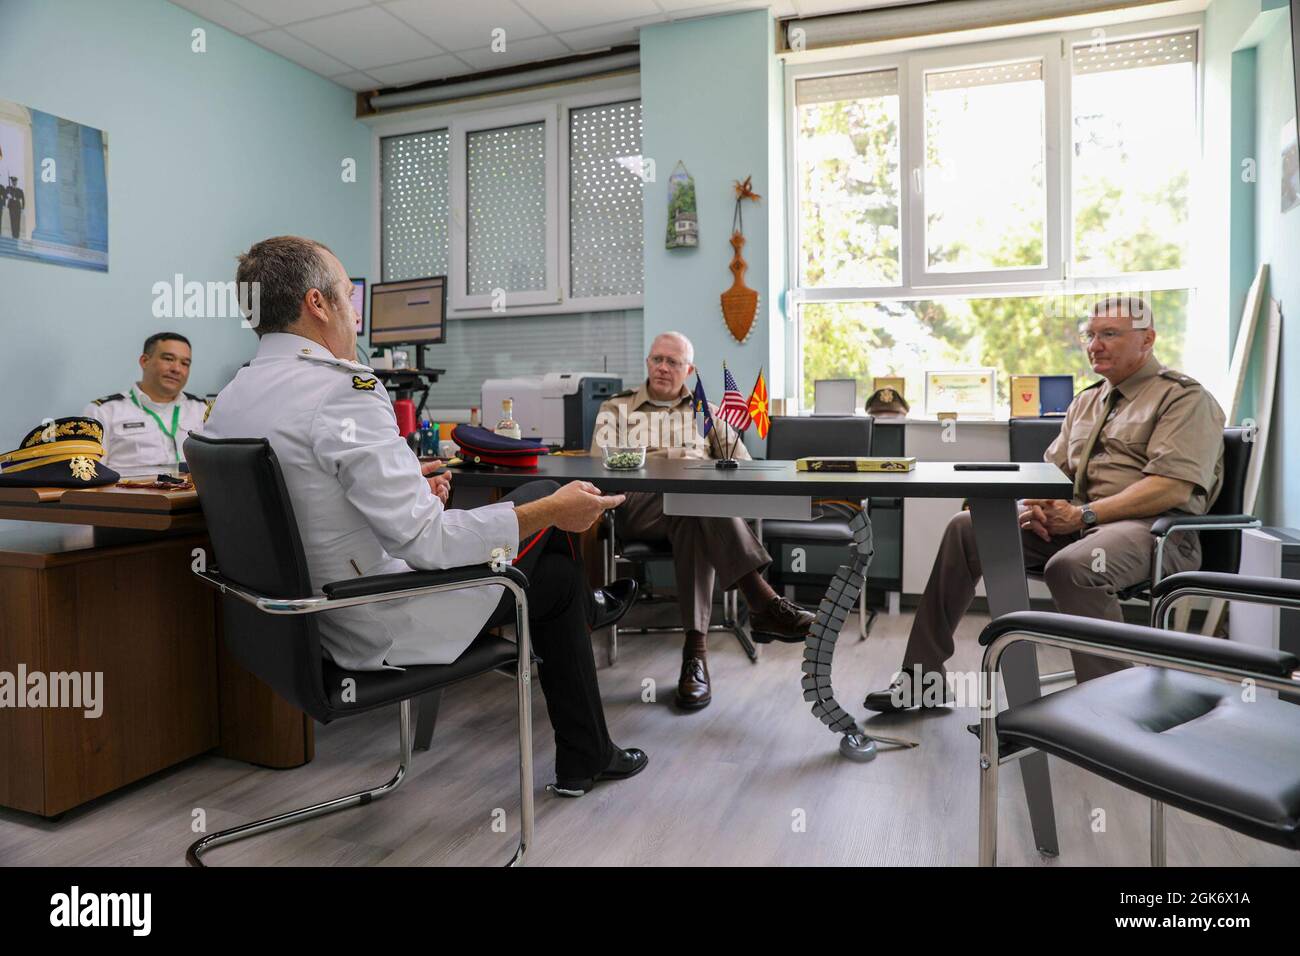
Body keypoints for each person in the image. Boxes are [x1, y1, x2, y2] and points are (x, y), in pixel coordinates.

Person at [202, 235, 645, 796]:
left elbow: (309, 498)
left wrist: (406, 487)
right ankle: (588, 714)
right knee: (549, 523)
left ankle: (589, 746)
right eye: (346, 295)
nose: (354, 314)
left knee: (549, 556)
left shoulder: (232, 397)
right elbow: (428, 544)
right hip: (375, 623)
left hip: (298, 621)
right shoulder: (344, 391)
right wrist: (557, 511)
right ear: (318, 304)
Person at [865, 295, 1227, 711]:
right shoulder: (1087, 400)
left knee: (1072, 567)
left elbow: (1171, 487)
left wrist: (1083, 514)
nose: (1095, 345)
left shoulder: (1182, 398)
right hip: (1081, 526)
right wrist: (1034, 505)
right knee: (968, 528)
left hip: (1154, 531)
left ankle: (1120, 707)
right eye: (1090, 335)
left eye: (1109, 334)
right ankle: (922, 679)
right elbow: (1052, 473)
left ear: (1148, 339)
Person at [593, 331, 815, 711]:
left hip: (691, 511)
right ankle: (763, 602)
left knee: (693, 508)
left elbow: (744, 466)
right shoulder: (617, 408)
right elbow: (601, 466)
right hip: (639, 508)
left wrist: (705, 471)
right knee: (695, 498)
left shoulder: (707, 411)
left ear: (689, 369)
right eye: (657, 359)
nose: (663, 368)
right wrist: (683, 462)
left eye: (673, 362)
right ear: (648, 362)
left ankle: (694, 658)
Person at [83, 332, 210, 474]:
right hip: (130, 494)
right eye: (168, 359)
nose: (177, 369)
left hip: (195, 494)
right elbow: (91, 475)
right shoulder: (104, 411)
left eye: (185, 363)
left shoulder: (203, 409)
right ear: (144, 361)